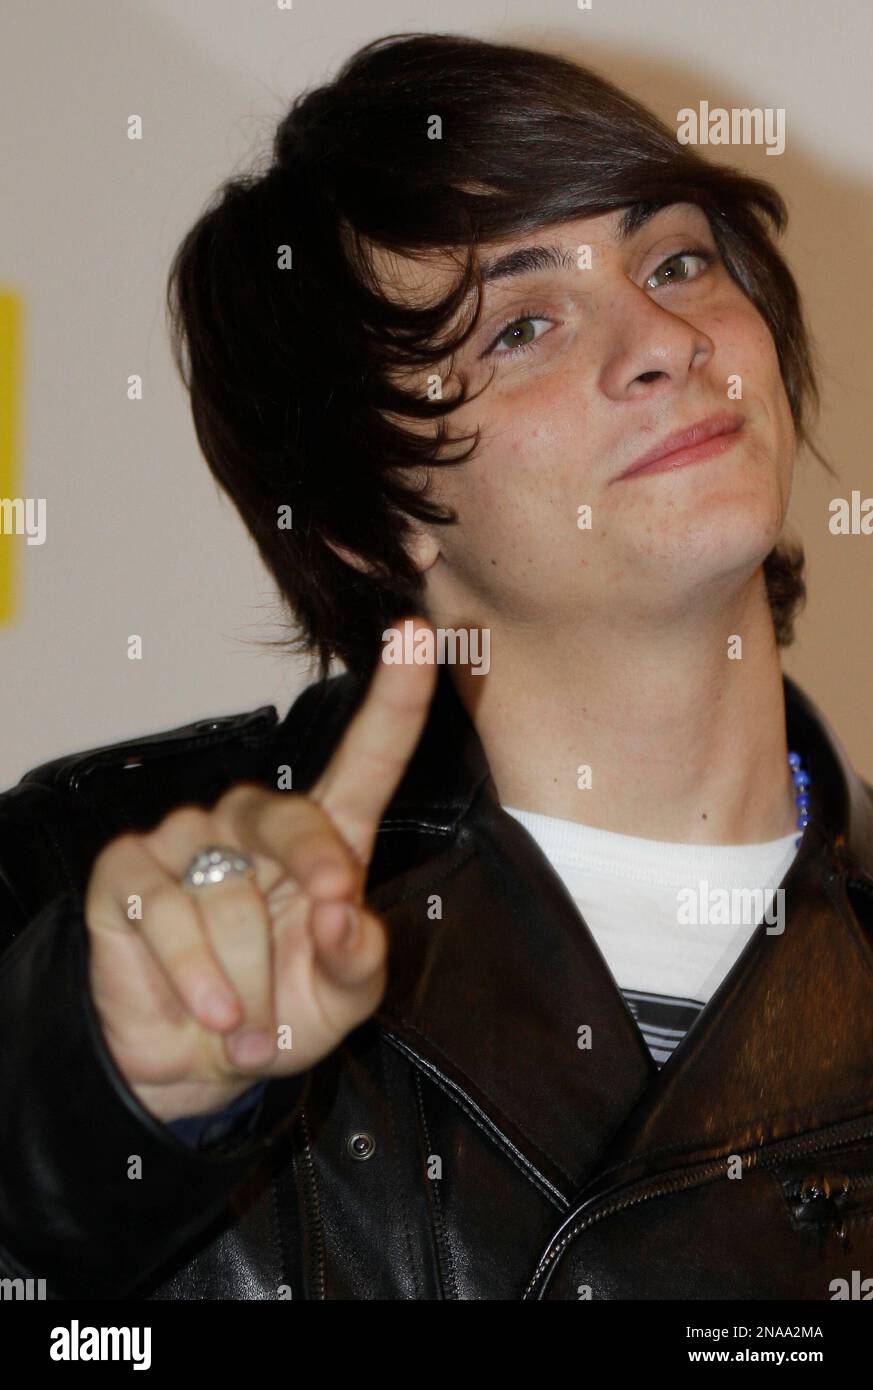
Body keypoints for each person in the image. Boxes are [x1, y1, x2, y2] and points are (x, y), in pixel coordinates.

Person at [2, 30, 873, 1302]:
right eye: (522, 325)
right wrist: (112, 1100)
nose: (662, 339)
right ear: (364, 513)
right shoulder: (84, 875)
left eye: (678, 258)